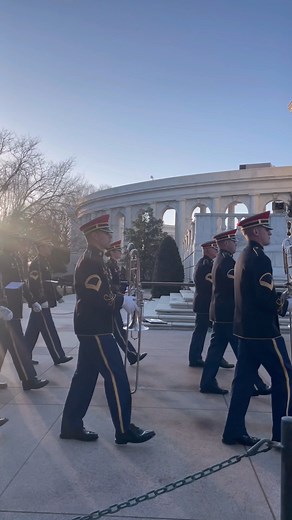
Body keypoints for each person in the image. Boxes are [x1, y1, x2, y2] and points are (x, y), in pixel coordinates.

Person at [60, 214, 155, 444]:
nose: (110, 236)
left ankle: (71, 425)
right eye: (106, 232)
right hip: (95, 328)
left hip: (94, 326)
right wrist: (122, 301)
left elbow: (105, 290)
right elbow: (99, 297)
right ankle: (123, 430)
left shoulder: (97, 259)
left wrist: (122, 298)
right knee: (117, 377)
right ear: (94, 236)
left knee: (84, 377)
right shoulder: (91, 261)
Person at [222, 211, 292, 446]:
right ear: (255, 232)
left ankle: (233, 431)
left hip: (245, 330)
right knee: (286, 379)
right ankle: (283, 435)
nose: (269, 233)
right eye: (266, 229)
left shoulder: (243, 255)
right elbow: (264, 298)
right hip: (264, 332)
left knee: (242, 383)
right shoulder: (260, 258)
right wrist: (283, 304)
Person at [200, 228, 270, 396]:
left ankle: (208, 382)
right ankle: (255, 384)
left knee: (216, 352)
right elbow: (239, 285)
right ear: (224, 243)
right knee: (243, 353)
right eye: (233, 241)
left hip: (220, 313)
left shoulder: (219, 259)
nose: (235, 244)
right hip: (227, 314)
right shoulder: (227, 262)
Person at [0, 232, 49, 391]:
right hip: (5, 310)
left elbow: (21, 282)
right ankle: (29, 379)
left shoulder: (15, 258)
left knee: (4, 345)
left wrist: (32, 299)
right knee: (18, 345)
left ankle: (29, 378)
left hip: (12, 309)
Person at [24, 238, 73, 365]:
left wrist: (57, 296)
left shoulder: (44, 262)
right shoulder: (36, 264)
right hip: (41, 303)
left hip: (42, 303)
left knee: (32, 331)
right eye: (48, 247)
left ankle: (24, 357)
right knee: (49, 329)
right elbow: (35, 284)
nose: (50, 249)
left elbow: (47, 283)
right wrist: (41, 300)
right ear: (40, 248)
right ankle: (58, 356)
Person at [188, 240, 234, 369]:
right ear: (207, 250)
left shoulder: (206, 263)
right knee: (202, 332)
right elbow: (212, 286)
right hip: (205, 304)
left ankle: (212, 357)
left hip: (204, 304)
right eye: (214, 249)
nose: (216, 251)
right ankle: (197, 358)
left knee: (211, 333)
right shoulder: (206, 265)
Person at [106, 240, 147, 366]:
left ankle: (132, 355)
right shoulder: (109, 265)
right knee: (118, 332)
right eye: (118, 251)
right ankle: (132, 355)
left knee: (118, 332)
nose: (120, 253)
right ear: (112, 252)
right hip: (111, 302)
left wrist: (126, 289)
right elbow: (109, 285)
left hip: (115, 300)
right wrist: (120, 296)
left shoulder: (114, 265)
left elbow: (116, 284)